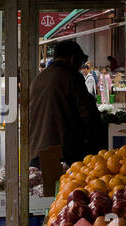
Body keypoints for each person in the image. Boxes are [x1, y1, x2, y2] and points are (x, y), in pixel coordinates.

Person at [28, 38, 102, 166]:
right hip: (62, 156)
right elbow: (89, 114)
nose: (80, 67)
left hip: (36, 153)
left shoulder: (39, 79)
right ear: (73, 59)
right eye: (80, 62)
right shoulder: (71, 77)